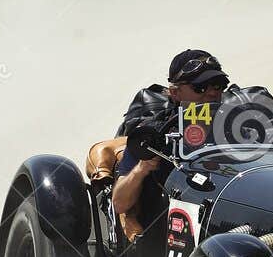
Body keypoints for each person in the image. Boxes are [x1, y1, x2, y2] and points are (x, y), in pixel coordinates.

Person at [86, 49, 230, 243]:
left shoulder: (237, 130)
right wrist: (142, 168)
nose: (212, 93)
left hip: (225, 222)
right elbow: (119, 203)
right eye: (200, 87)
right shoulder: (151, 135)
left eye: (218, 85)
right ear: (175, 93)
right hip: (164, 237)